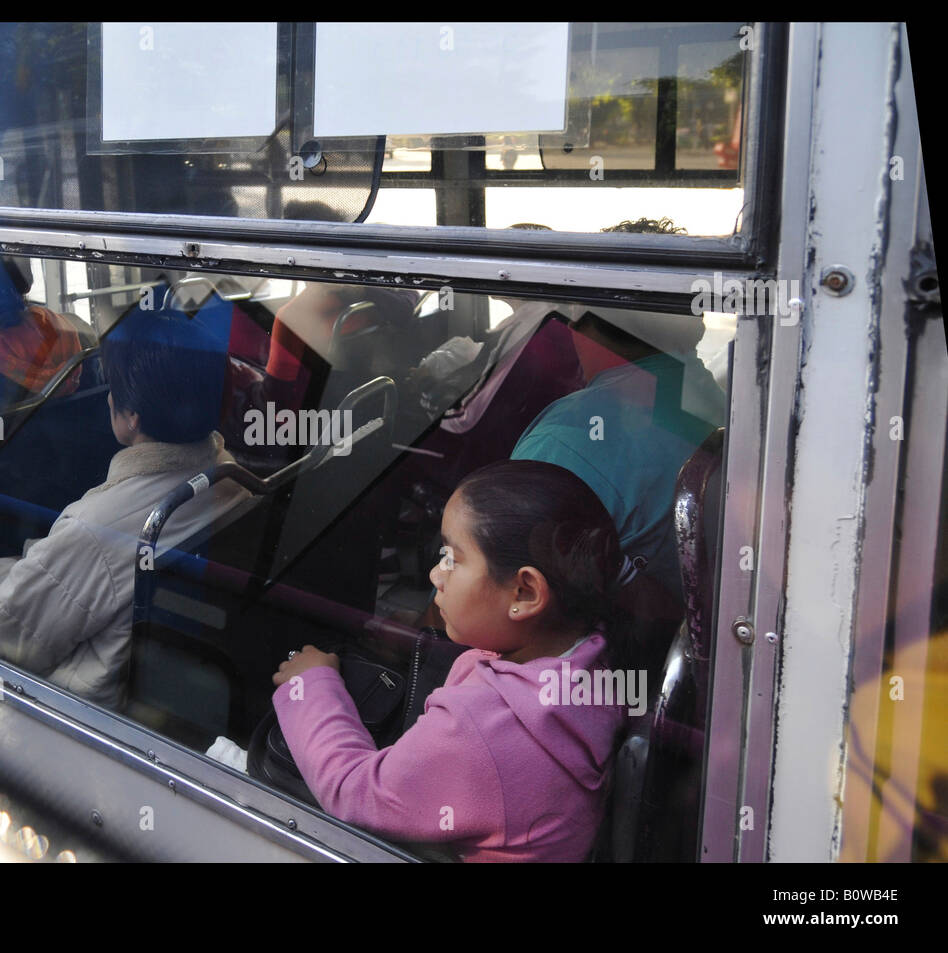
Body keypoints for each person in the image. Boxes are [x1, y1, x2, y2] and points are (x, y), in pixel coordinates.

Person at [272, 460, 633, 862]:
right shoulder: (595, 659)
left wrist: (312, 683)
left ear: (525, 593)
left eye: (452, 559)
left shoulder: (481, 727)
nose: (434, 575)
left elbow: (353, 792)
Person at [0, 307, 252, 709]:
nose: (109, 395)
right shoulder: (231, 476)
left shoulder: (93, 529)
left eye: (111, 384)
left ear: (132, 415)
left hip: (91, 708)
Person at [510, 305, 726, 607]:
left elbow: (503, 576)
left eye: (574, 318)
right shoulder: (718, 401)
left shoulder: (563, 436)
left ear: (588, 333)